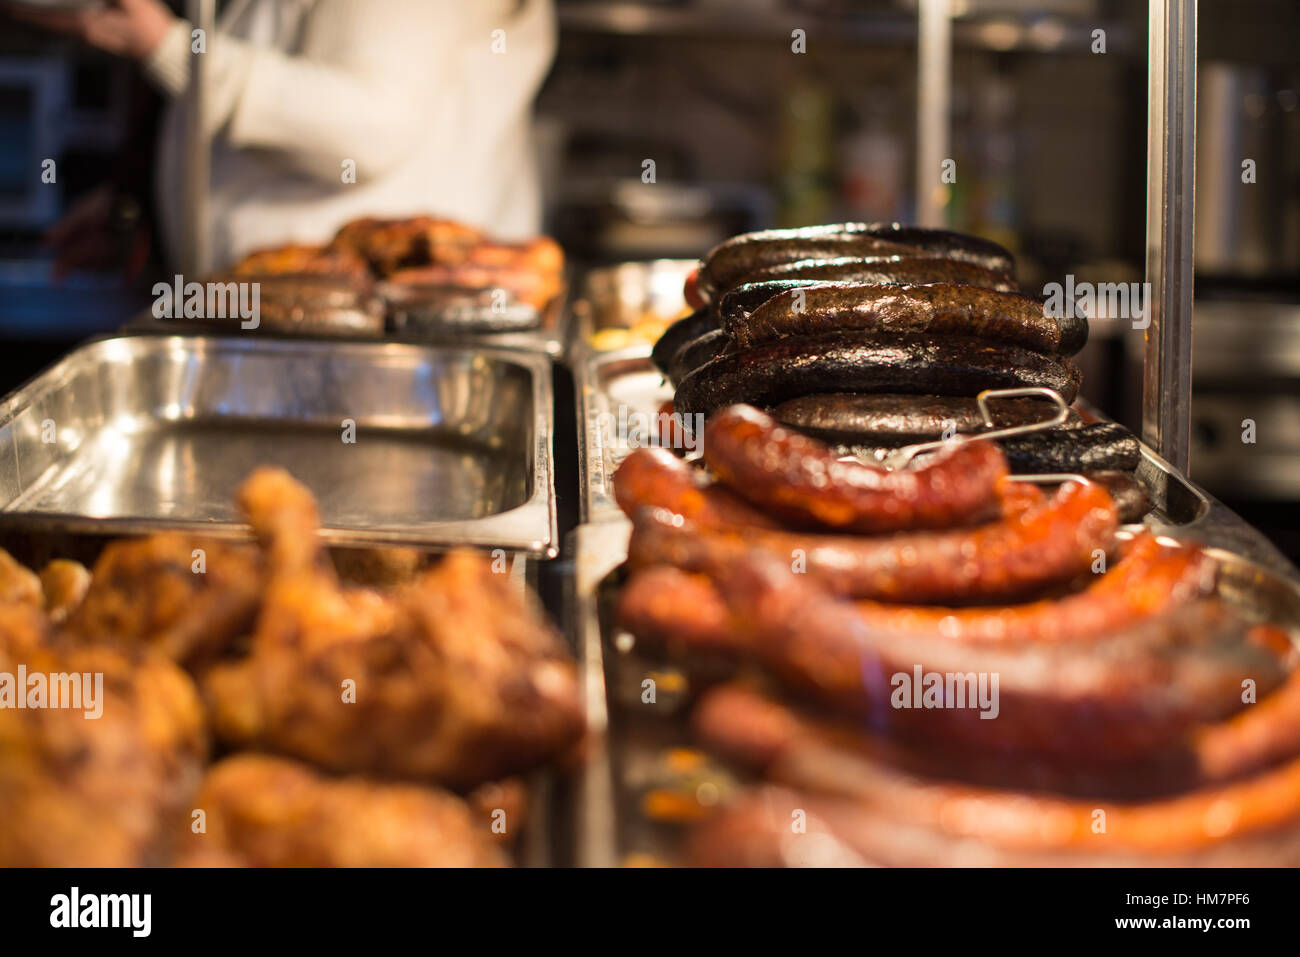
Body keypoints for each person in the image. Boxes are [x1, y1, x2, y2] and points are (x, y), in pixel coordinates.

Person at [12, 0, 557, 273]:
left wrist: (164, 47)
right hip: (283, 339)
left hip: (382, 352)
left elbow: (366, 128)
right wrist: (145, 207)